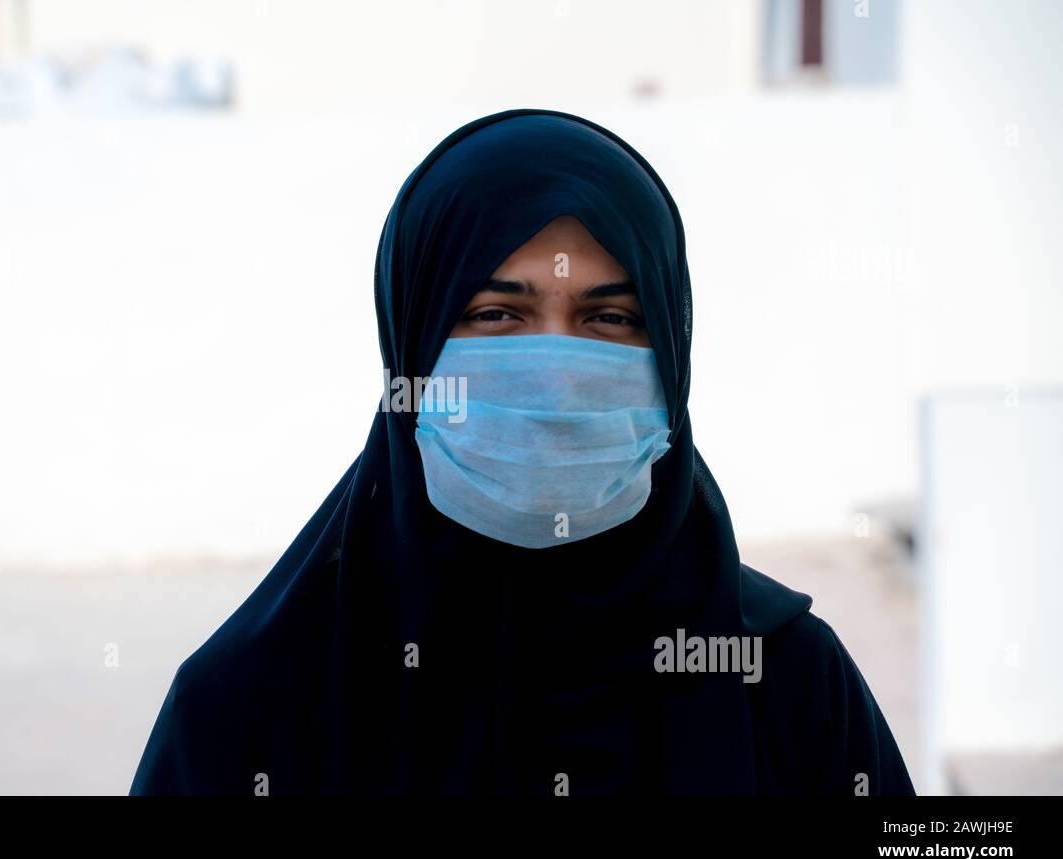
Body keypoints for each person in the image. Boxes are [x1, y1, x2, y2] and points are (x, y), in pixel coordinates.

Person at [129, 108, 916, 795]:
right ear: (412, 346)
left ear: (671, 354)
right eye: (496, 314)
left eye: (609, 319)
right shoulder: (252, 706)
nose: (556, 377)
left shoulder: (781, 680)